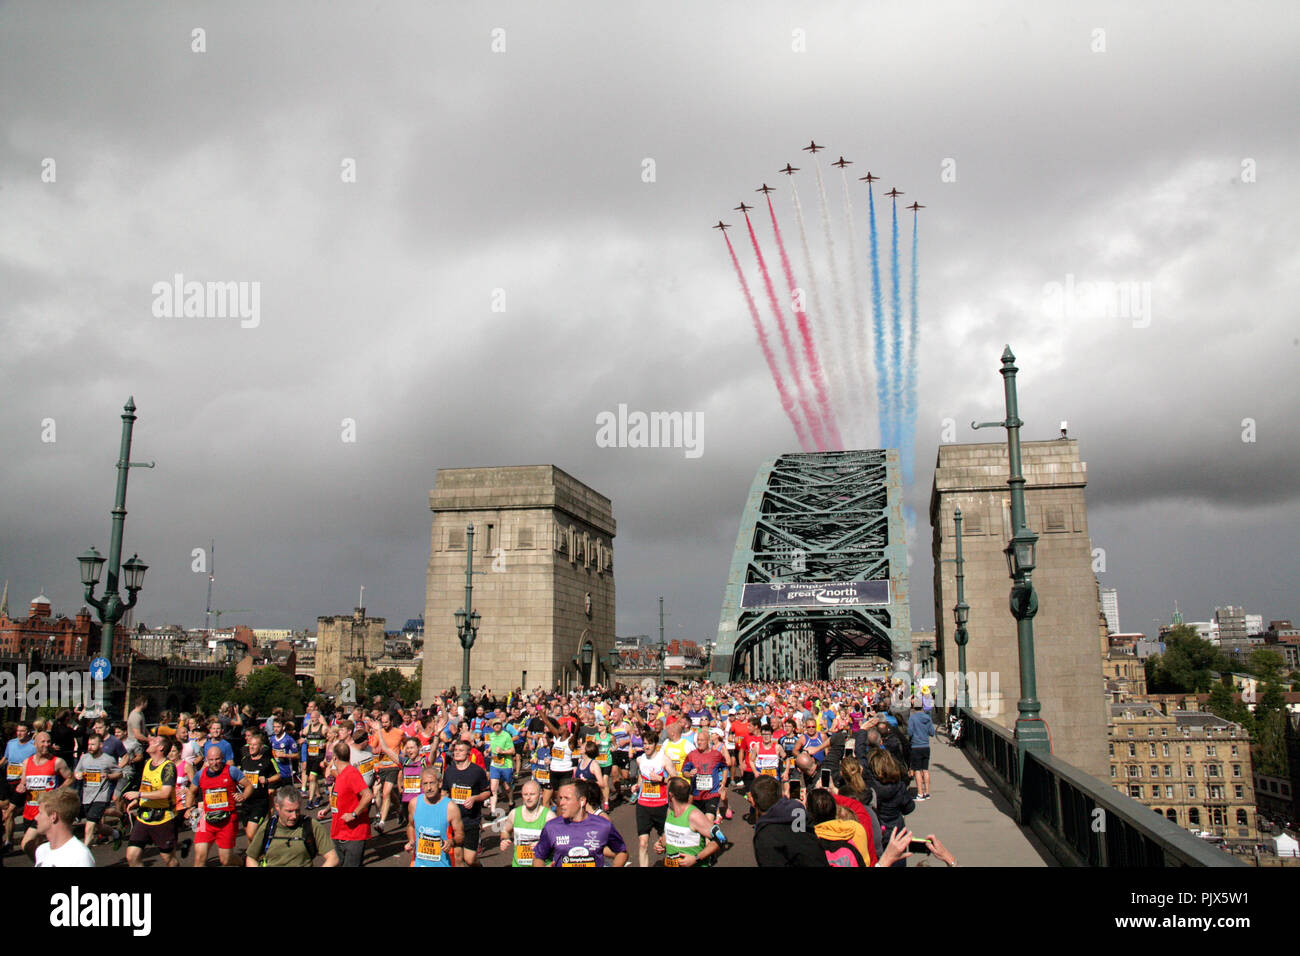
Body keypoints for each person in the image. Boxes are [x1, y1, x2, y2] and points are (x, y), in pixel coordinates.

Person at [532, 780, 627, 867]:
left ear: (582, 801)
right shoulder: (552, 827)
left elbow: (622, 852)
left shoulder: (603, 825)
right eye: (560, 798)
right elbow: (538, 857)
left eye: (567, 798)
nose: (561, 803)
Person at [122, 735, 180, 867]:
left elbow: (165, 793)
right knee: (132, 855)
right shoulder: (148, 763)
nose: (150, 741)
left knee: (168, 859)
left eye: (154, 741)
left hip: (163, 818)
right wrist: (137, 801)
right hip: (144, 816)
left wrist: (139, 794)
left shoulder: (168, 767)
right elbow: (146, 787)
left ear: (161, 747)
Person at [246, 786, 337, 867]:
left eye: (297, 810)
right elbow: (251, 858)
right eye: (289, 811)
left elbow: (333, 858)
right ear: (277, 807)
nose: (294, 816)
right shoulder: (268, 827)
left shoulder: (311, 825)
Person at [749, 774, 827, 867]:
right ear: (782, 795)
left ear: (753, 802)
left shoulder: (765, 835)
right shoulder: (799, 814)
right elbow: (803, 843)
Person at [318, 740, 371, 867]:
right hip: (338, 833)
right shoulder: (341, 775)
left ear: (335, 758)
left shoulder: (351, 773)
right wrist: (327, 809)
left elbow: (368, 795)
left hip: (352, 835)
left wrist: (354, 814)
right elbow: (339, 798)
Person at [190, 743, 243, 867]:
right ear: (207, 760)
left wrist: (243, 796)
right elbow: (191, 792)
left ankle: (241, 862)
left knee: (225, 860)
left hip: (226, 819)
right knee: (199, 857)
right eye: (211, 760)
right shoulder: (200, 774)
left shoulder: (231, 771)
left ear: (222, 758)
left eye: (217, 759)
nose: (214, 762)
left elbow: (248, 786)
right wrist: (190, 808)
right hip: (204, 817)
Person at [656, 776, 723, 867]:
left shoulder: (694, 815)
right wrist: (660, 845)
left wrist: (696, 858)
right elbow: (669, 837)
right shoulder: (670, 811)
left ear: (670, 795)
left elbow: (721, 839)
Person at [442, 739, 490, 866]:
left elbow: (487, 792)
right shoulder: (449, 771)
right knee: (458, 858)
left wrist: (474, 798)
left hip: (471, 820)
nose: (457, 753)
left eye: (461, 750)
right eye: (456, 750)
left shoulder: (477, 771)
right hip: (454, 821)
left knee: (470, 859)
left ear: (468, 753)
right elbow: (445, 792)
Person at [73, 733, 123, 849]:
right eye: (89, 744)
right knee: (97, 826)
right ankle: (116, 834)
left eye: (93, 744)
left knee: (89, 826)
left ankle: (84, 854)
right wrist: (78, 775)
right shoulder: (84, 758)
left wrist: (109, 776)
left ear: (100, 745)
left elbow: (120, 773)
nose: (90, 747)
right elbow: (77, 771)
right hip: (87, 795)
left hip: (101, 796)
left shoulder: (108, 759)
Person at [405, 764, 460, 868]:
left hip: (442, 863)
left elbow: (460, 835)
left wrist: (451, 842)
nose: (429, 788)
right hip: (419, 863)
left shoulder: (451, 807)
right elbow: (410, 826)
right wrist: (411, 841)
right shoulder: (414, 804)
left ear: (439, 784)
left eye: (432, 783)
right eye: (425, 784)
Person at [866, 746, 914, 865]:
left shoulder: (871, 788)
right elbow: (909, 807)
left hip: (878, 833)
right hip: (896, 833)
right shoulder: (899, 786)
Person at [633, 729, 673, 867]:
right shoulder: (640, 759)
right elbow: (641, 776)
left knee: (666, 842)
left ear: (656, 744)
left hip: (661, 805)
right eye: (644, 744)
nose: (647, 747)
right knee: (643, 843)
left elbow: (675, 780)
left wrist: (661, 779)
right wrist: (637, 786)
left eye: (650, 743)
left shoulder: (663, 759)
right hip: (643, 805)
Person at [32, 789, 96, 867]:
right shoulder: (41, 850)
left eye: (40, 813)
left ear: (53, 816)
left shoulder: (80, 856)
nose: (36, 817)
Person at [498, 779, 554, 868]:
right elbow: (505, 831)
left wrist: (541, 845)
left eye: (532, 794)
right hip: (519, 865)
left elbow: (557, 843)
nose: (528, 798)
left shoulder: (549, 817)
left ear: (540, 794)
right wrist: (504, 839)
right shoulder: (514, 813)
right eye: (525, 794)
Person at [2, 722, 37, 850]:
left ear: (28, 732)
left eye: (22, 731)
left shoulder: (33, 746)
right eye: (18, 731)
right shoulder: (11, 743)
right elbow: (6, 759)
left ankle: (9, 842)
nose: (19, 733)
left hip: (23, 783)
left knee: (10, 811)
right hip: (9, 781)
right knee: (8, 811)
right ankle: (8, 841)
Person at [681, 729, 726, 823]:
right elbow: (684, 771)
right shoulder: (692, 755)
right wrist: (689, 774)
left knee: (708, 820)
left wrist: (723, 783)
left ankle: (708, 836)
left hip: (712, 794)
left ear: (708, 741)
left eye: (702, 740)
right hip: (697, 795)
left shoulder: (716, 755)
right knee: (697, 823)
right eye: (698, 740)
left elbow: (725, 767)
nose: (699, 742)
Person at [485, 718, 515, 816]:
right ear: (492, 727)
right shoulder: (492, 735)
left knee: (507, 787)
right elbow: (492, 746)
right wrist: (488, 751)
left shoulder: (506, 736)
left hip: (506, 765)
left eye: (499, 724)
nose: (497, 726)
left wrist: (502, 752)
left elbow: (512, 751)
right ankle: (493, 812)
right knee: (493, 788)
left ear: (501, 725)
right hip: (494, 765)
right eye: (495, 725)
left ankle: (511, 802)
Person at [907, 701, 936, 801]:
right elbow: (932, 732)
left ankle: (920, 793)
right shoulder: (928, 718)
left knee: (917, 770)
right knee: (925, 769)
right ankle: (927, 793)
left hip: (916, 746)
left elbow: (910, 732)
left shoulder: (912, 718)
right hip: (926, 746)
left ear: (914, 707)